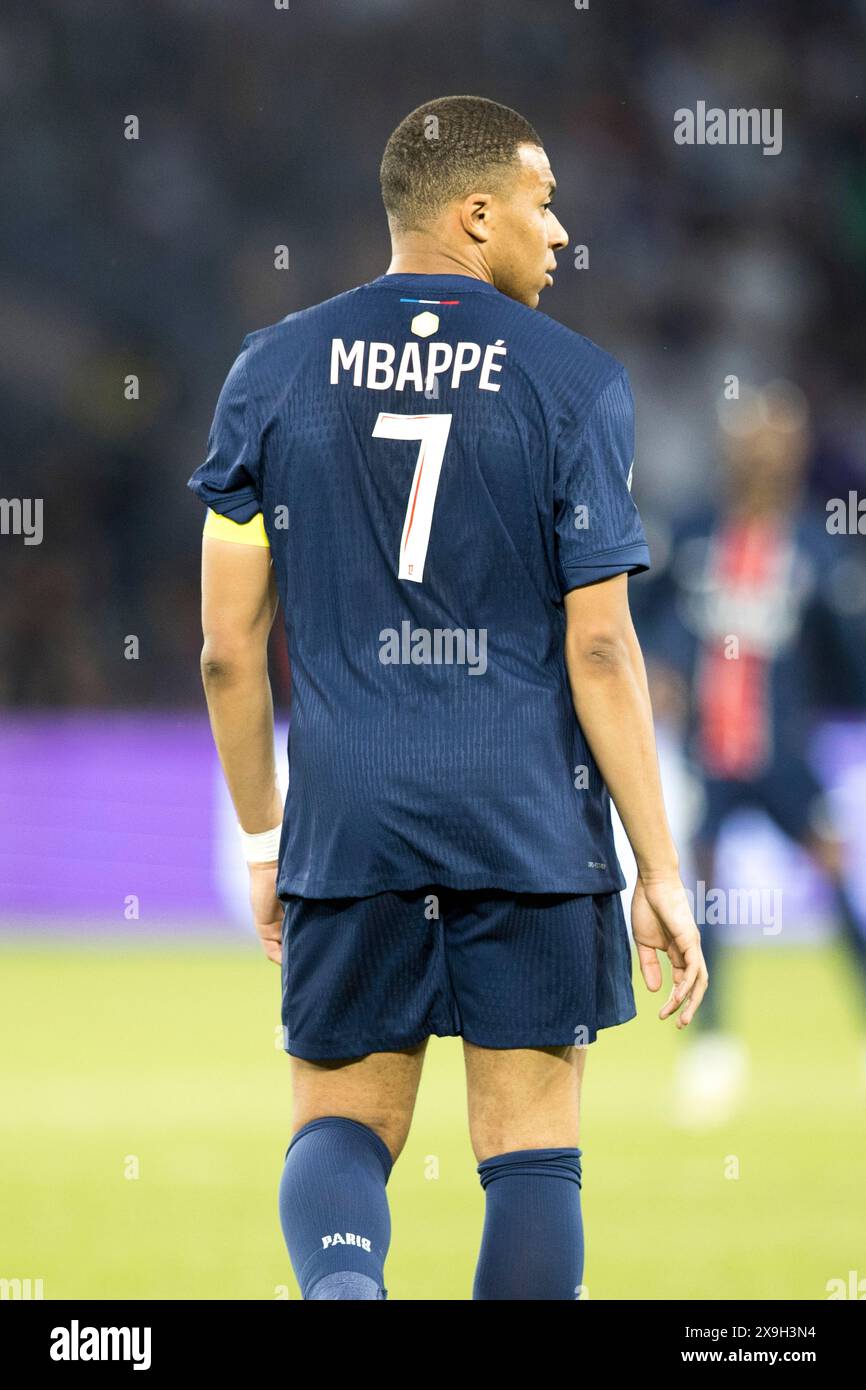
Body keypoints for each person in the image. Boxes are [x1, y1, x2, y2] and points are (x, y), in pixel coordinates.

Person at [188, 94, 707, 1301]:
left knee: (341, 1127)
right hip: (525, 817)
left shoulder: (269, 371)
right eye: (542, 201)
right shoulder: (575, 383)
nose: (561, 230)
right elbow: (600, 653)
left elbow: (224, 648)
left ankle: (342, 1290)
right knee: (531, 1153)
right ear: (475, 217)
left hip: (353, 815)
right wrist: (660, 868)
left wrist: (265, 837)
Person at [636, 385, 866, 1124]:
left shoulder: (811, 545)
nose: (761, 460)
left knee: (834, 878)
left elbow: (843, 651)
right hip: (714, 752)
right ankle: (711, 1047)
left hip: (784, 752)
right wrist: (662, 671)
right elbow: (648, 616)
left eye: (774, 446)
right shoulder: (697, 534)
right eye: (751, 447)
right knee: (705, 895)